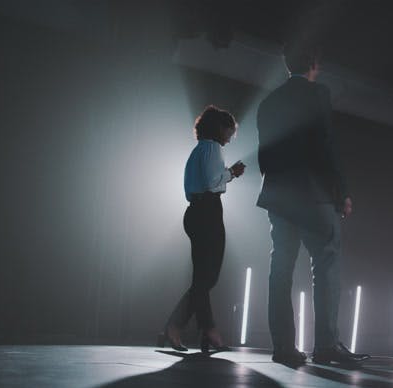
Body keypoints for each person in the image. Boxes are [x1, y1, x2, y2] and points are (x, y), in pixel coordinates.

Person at [257, 40, 369, 365]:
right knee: (326, 266)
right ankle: (325, 346)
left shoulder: (267, 103)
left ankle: (283, 347)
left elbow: (265, 154)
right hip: (315, 196)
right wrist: (342, 191)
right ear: (314, 64)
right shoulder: (319, 94)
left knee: (280, 271)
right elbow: (326, 146)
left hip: (279, 196)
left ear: (286, 64)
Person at [158, 105, 245, 352]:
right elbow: (211, 182)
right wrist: (232, 173)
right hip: (207, 211)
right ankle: (189, 327)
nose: (230, 138)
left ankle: (201, 330)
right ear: (220, 127)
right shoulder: (212, 148)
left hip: (196, 211)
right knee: (207, 278)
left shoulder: (199, 150)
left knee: (203, 278)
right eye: (230, 131)